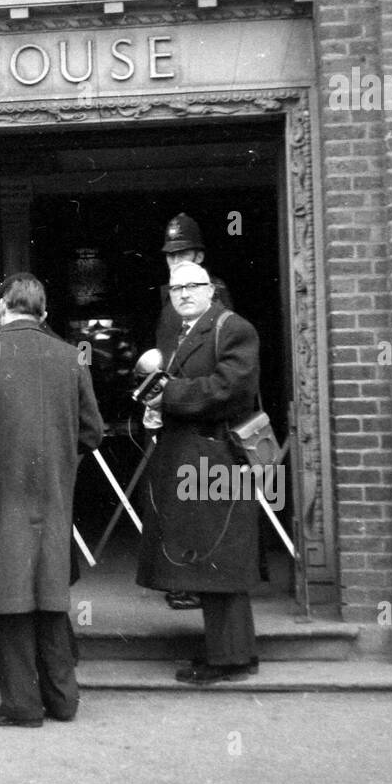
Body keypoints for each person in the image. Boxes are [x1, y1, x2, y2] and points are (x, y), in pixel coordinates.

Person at [0, 272, 103, 728]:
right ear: (44, 311)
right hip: (52, 496)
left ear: (1, 307)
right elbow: (93, 431)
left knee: (9, 604)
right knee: (50, 600)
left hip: (0, 494)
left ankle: (22, 705)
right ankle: (63, 700)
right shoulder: (72, 358)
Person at [135, 260, 263, 683]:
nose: (184, 294)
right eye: (176, 289)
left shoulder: (234, 328)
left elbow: (227, 388)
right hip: (197, 457)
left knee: (219, 559)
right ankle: (230, 653)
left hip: (218, 459)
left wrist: (168, 394)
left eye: (193, 286)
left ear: (211, 290)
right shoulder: (182, 333)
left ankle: (230, 660)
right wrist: (157, 407)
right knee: (211, 557)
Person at [155, 213, 232, 611]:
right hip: (173, 414)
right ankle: (181, 582)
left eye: (182, 253)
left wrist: (174, 393)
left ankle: (197, 583)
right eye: (170, 256)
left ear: (199, 255)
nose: (175, 261)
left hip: (201, 418)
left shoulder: (212, 295)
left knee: (204, 511)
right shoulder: (169, 297)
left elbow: (216, 362)